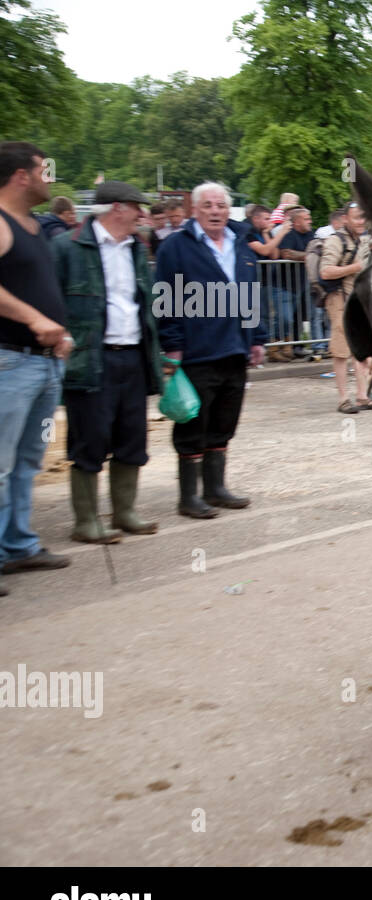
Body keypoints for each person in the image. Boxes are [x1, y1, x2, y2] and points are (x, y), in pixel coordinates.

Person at [51, 181, 164, 543]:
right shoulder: (67, 247)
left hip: (132, 355)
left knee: (132, 437)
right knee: (90, 439)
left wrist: (156, 353)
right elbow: (50, 299)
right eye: (137, 207)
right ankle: (86, 521)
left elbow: (141, 305)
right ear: (117, 208)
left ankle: (124, 512)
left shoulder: (135, 248)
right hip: (91, 358)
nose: (142, 215)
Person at [155, 182, 266, 519]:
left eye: (220, 205)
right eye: (208, 206)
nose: (215, 211)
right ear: (195, 210)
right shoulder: (176, 247)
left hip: (236, 348)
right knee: (192, 422)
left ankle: (215, 488)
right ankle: (189, 497)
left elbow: (252, 294)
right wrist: (172, 345)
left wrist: (258, 337)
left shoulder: (241, 243)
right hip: (197, 351)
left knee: (224, 422)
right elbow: (165, 298)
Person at [0, 141, 73, 591]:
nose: (50, 178)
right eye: (43, 170)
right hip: (11, 364)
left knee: (28, 461)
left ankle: (19, 547)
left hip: (44, 366)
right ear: (21, 176)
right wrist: (33, 319)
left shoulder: (33, 226)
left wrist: (59, 333)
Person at [319, 202, 372, 413]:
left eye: (363, 217)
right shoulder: (335, 240)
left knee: (362, 349)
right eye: (357, 217)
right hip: (339, 298)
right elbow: (325, 272)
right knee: (341, 350)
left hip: (360, 300)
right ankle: (343, 398)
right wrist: (355, 267)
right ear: (345, 219)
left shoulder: (366, 239)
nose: (361, 221)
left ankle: (362, 396)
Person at [269, 206, 313, 360]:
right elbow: (286, 253)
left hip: (299, 285)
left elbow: (319, 250)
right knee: (285, 318)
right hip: (281, 284)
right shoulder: (288, 234)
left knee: (294, 319)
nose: (310, 221)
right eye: (306, 219)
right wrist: (309, 255)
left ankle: (287, 348)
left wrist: (303, 255)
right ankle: (273, 348)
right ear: (297, 222)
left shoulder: (310, 234)